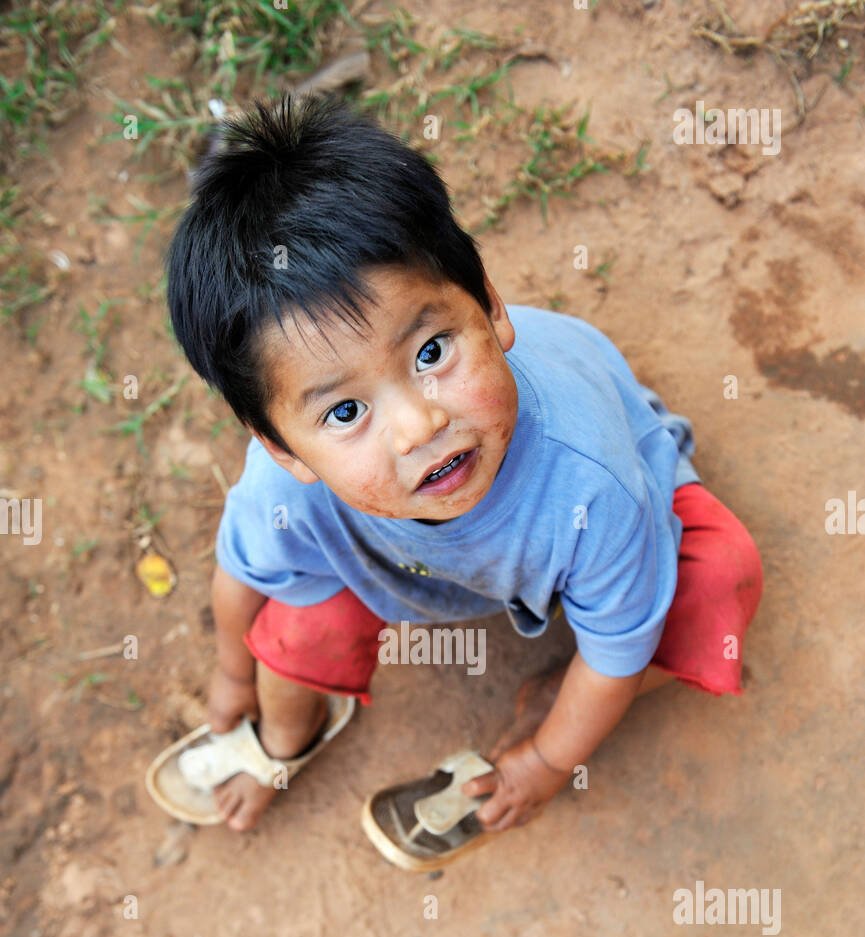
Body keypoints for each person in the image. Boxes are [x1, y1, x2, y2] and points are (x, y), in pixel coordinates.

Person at [162, 93, 762, 838]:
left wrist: (545, 762)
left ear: (487, 304)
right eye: (344, 413)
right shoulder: (286, 489)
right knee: (292, 623)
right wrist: (231, 678)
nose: (421, 425)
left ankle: (571, 690)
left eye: (430, 352)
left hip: (607, 494)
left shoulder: (592, 489)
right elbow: (243, 573)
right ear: (281, 448)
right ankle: (285, 739)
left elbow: (613, 651)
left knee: (718, 576)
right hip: (410, 556)